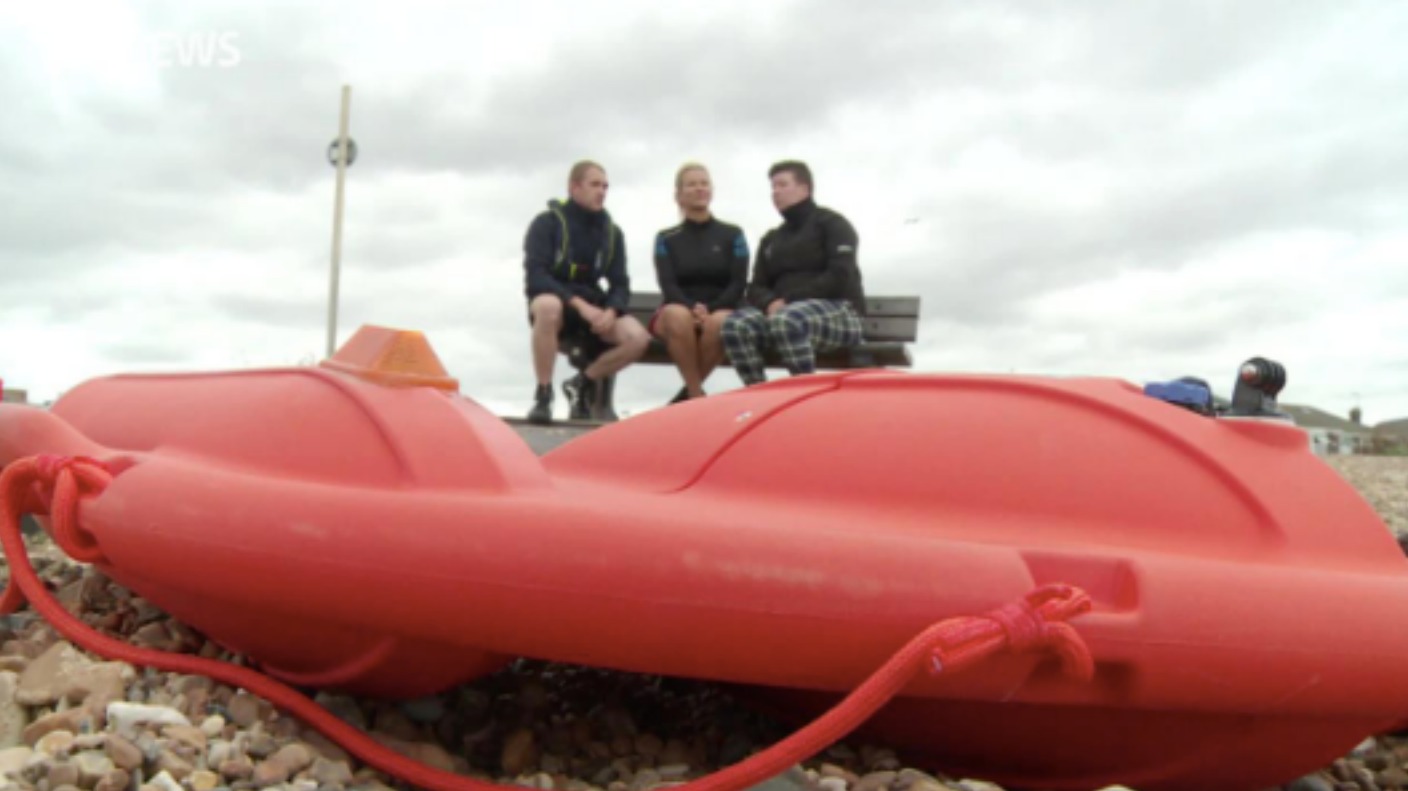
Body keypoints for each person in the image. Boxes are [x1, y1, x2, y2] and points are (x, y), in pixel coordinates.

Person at [522, 160, 650, 423]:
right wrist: (579, 305)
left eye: (605, 186)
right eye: (594, 185)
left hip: (594, 309)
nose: (601, 191)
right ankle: (543, 394)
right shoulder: (546, 224)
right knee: (547, 305)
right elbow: (536, 276)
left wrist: (612, 310)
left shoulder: (612, 233)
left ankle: (582, 382)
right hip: (557, 303)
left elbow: (620, 283)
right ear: (574, 187)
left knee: (638, 338)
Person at [721, 161, 864, 385]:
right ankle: (760, 395)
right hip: (781, 315)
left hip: (840, 312)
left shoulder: (833, 224)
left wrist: (788, 300)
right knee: (735, 326)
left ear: (805, 188)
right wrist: (769, 303)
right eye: (773, 187)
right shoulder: (771, 239)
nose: (775, 192)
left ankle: (806, 400)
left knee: (788, 319)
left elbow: (839, 275)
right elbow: (756, 286)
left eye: (782, 185)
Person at [651, 163, 749, 404]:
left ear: (712, 190)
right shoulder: (665, 238)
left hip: (721, 308)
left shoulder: (733, 234)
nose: (699, 189)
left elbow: (738, 283)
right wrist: (693, 309)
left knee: (721, 321)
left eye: (704, 183)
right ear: (679, 194)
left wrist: (711, 309)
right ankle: (695, 395)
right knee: (677, 315)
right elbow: (668, 284)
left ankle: (685, 397)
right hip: (678, 310)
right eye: (692, 184)